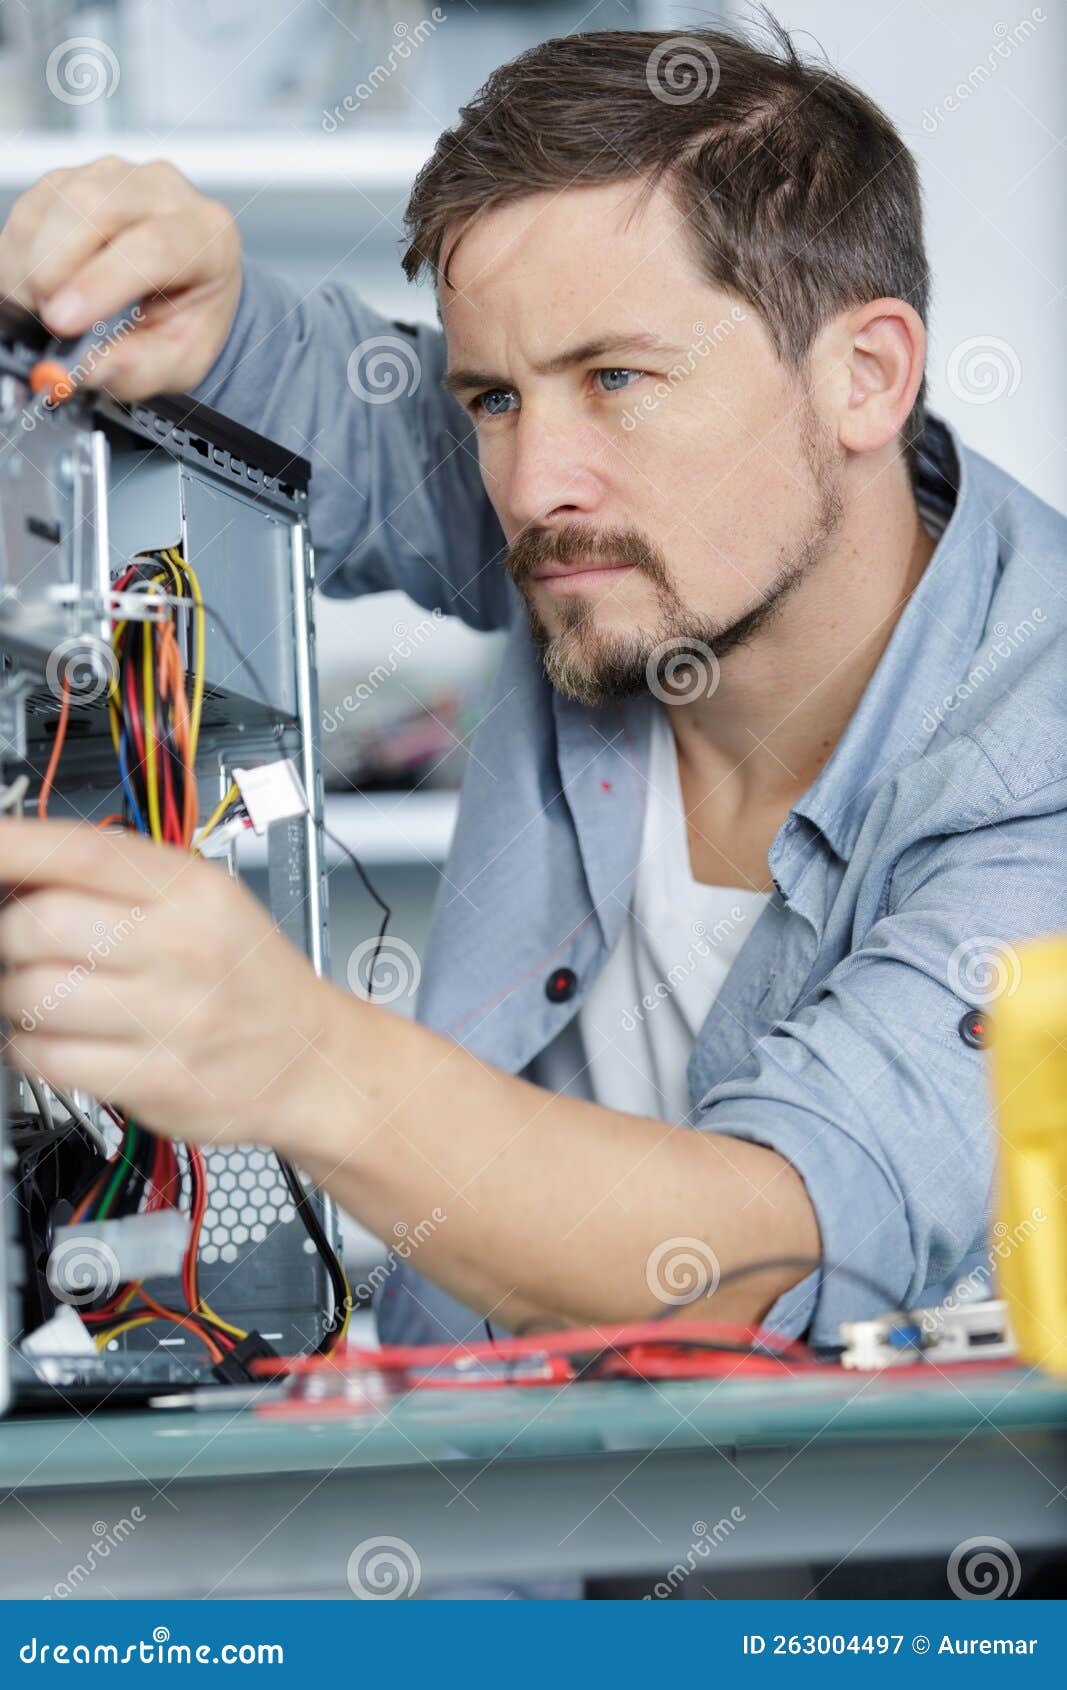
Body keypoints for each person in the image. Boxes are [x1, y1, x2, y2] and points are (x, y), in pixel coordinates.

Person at [0, 22, 1064, 1357]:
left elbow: (772, 1252)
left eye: (617, 378)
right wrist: (186, 296)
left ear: (867, 375)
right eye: (493, 398)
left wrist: (304, 1059)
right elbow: (296, 388)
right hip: (480, 1474)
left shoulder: (1038, 757)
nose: (531, 485)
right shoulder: (614, 535)